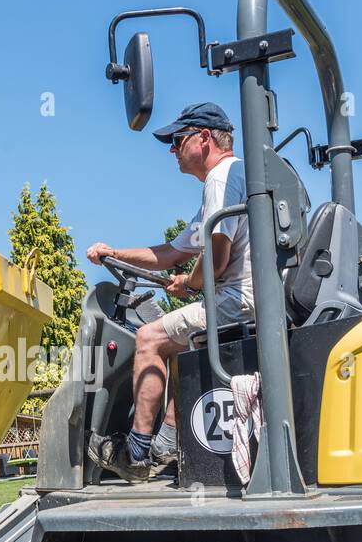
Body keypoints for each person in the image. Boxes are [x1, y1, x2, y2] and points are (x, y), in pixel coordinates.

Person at [84, 102, 255, 482]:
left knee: (148, 338)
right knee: (179, 338)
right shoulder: (233, 179)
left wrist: (190, 283)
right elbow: (170, 254)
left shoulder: (222, 178)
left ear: (205, 138)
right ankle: (168, 442)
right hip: (241, 299)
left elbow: (216, 259)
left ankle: (138, 452)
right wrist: (115, 252)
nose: (172, 150)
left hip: (237, 301)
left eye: (178, 141)